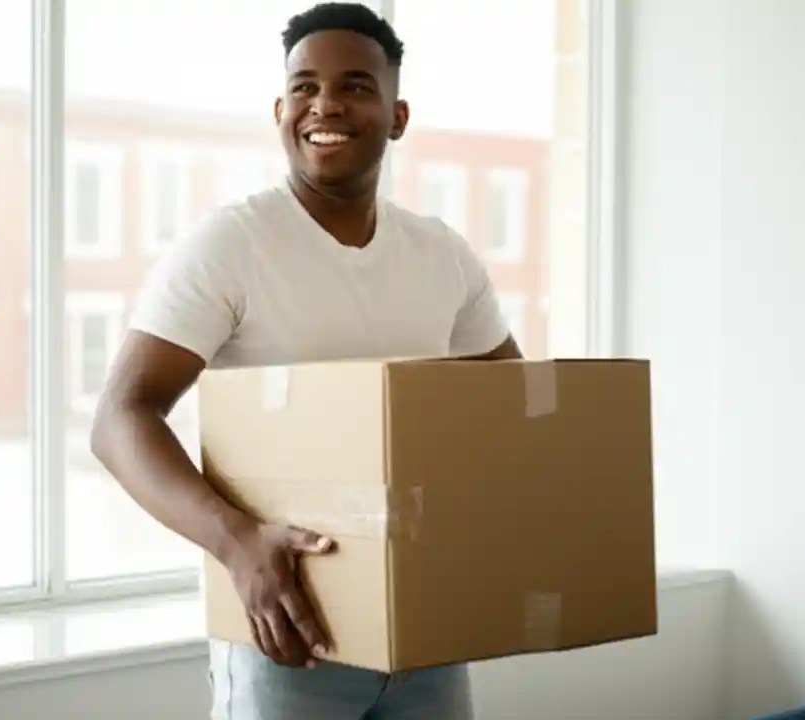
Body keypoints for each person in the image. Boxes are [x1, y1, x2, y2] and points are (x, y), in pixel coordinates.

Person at [90, 3, 521, 718]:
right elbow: (118, 420)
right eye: (304, 86)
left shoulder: (441, 255)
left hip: (427, 631)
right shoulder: (231, 245)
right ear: (279, 109)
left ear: (398, 115)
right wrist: (237, 543)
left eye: (355, 86)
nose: (325, 104)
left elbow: (511, 408)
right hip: (287, 637)